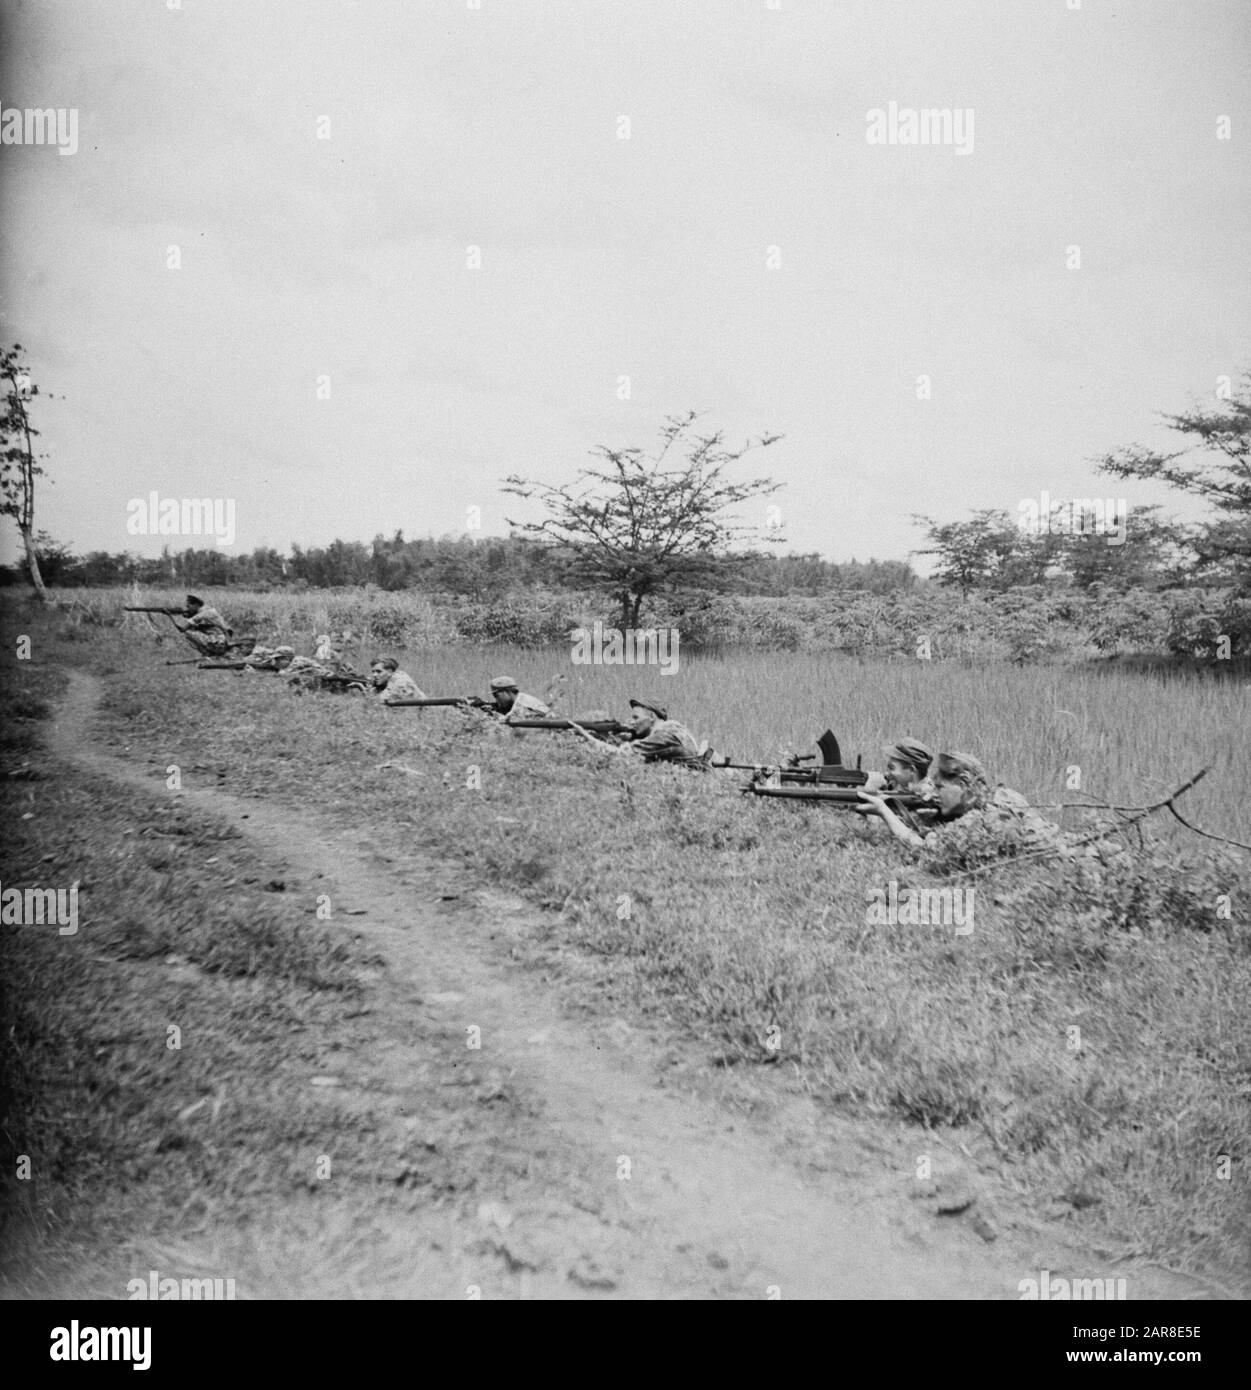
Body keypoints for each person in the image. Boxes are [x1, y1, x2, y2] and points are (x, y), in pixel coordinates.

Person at [857, 750, 1074, 858]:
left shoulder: (983, 819)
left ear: (963, 784)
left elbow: (924, 849)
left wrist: (883, 811)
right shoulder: (1003, 794)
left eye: (940, 788)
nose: (935, 793)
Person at [623, 698, 711, 769]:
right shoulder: (671, 729)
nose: (632, 722)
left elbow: (627, 752)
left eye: (636, 718)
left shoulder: (666, 733)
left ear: (651, 716)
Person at [487, 676, 552, 722]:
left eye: (496, 695)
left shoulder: (522, 705)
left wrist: (493, 714)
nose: (496, 699)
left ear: (507, 691)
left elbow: (505, 723)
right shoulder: (521, 698)